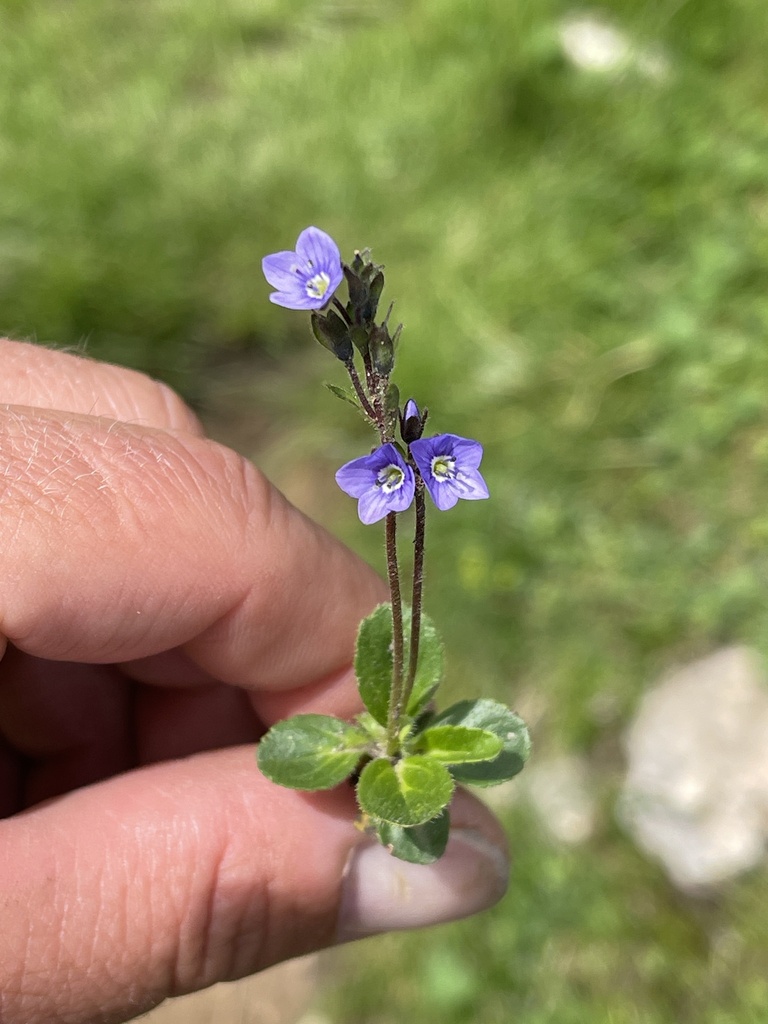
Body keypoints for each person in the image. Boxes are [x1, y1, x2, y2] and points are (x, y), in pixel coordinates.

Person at [0, 338, 509, 1024]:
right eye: (406, 472)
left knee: (401, 627)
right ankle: (382, 744)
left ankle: (394, 745)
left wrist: (423, 465)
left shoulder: (430, 467)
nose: (417, 477)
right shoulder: (386, 474)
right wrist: (396, 469)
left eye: (426, 469)